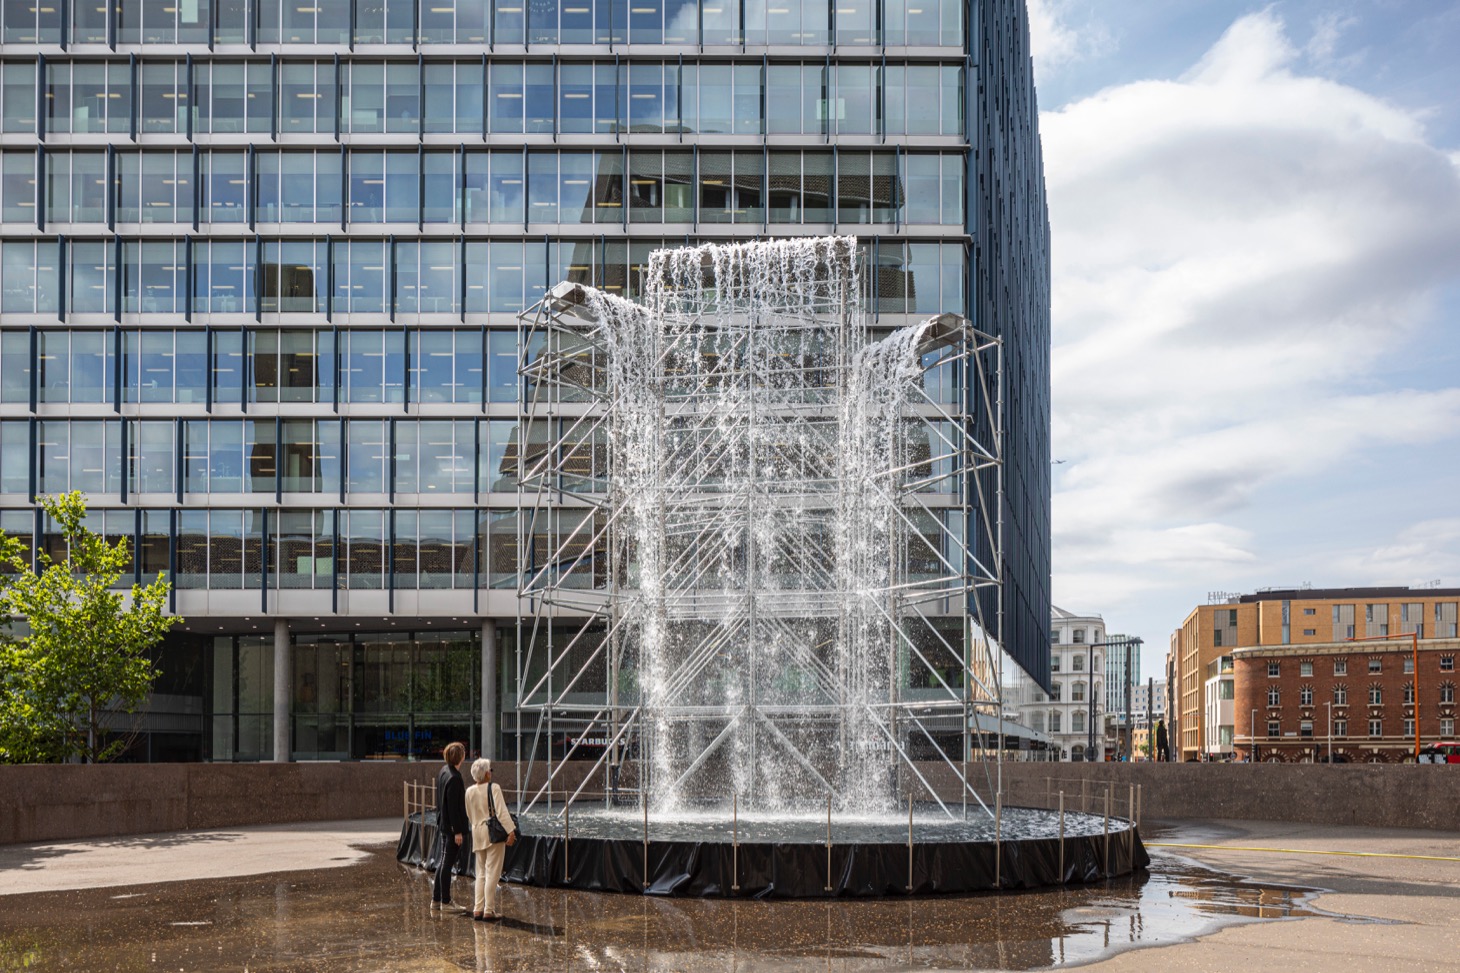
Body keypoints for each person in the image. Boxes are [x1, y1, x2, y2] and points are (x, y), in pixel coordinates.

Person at [464, 757, 517, 921]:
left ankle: (477, 909)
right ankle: (489, 910)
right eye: (490, 770)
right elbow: (501, 813)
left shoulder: (469, 791)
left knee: (480, 873)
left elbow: (469, 814)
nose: (491, 773)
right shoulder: (494, 788)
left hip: (477, 832)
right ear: (487, 774)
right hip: (492, 833)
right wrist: (511, 831)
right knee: (492, 873)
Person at [431, 741, 470, 911]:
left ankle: (437, 900)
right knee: (446, 863)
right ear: (460, 756)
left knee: (443, 862)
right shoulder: (454, 777)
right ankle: (445, 902)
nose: (465, 755)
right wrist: (458, 831)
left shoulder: (444, 771)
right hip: (451, 829)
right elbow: (454, 808)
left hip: (443, 825)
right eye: (463, 752)